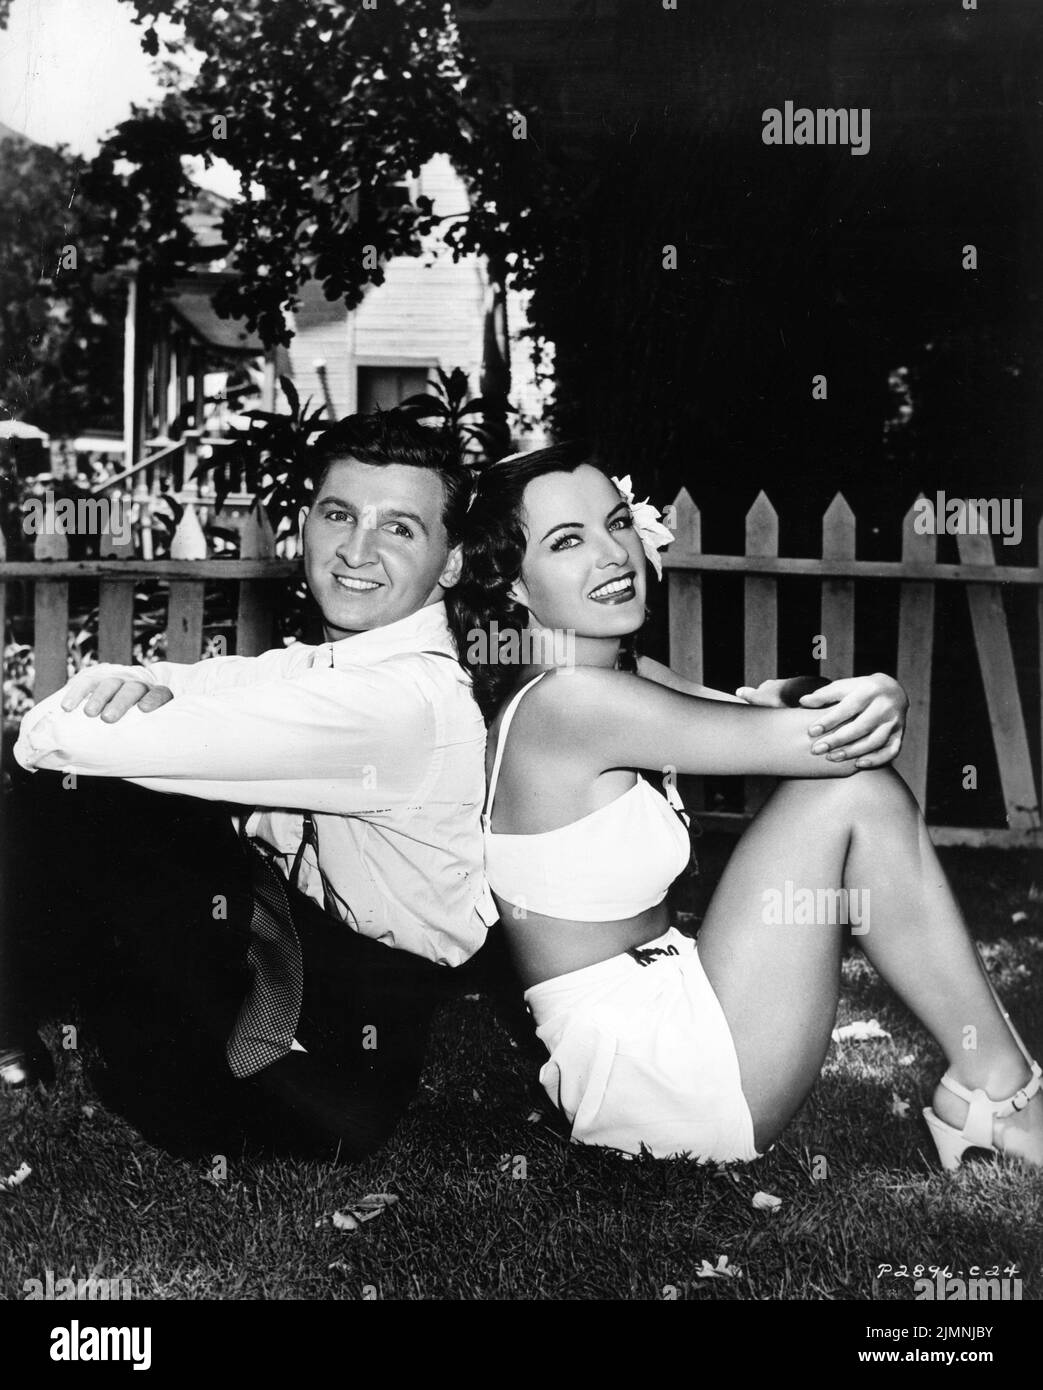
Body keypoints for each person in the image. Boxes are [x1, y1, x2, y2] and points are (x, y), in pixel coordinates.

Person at [449, 443, 1042, 1168]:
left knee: (856, 788)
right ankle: (1000, 1097)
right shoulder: (571, 703)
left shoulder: (607, 680)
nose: (612, 554)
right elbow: (822, 745)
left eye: (616, 524)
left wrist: (855, 691)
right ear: (511, 584)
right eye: (567, 541)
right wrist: (883, 691)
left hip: (664, 1007)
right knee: (852, 789)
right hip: (659, 1074)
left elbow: (759, 703)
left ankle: (992, 1089)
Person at [0, 412, 497, 1159]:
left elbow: (51, 737)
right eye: (338, 515)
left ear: (450, 564)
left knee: (93, 795)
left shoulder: (401, 701)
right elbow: (171, 683)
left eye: (399, 529)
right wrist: (133, 686)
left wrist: (108, 716)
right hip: (305, 959)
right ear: (306, 524)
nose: (356, 550)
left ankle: (32, 1029)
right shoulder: (331, 667)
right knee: (110, 796)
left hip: (339, 1054)